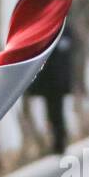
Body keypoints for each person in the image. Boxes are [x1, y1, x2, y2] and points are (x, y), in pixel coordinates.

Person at [27, 23, 77, 155]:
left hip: (57, 80)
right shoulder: (44, 29)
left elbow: (66, 52)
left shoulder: (63, 29)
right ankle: (58, 141)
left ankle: (60, 141)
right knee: (52, 113)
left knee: (57, 112)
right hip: (49, 81)